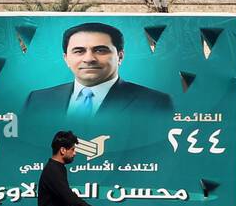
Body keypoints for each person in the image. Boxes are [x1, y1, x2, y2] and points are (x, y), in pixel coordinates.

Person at [23, 21, 174, 128]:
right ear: (66, 59)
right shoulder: (37, 100)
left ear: (120, 56)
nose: (89, 59)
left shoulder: (154, 103)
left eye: (100, 50)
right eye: (79, 51)